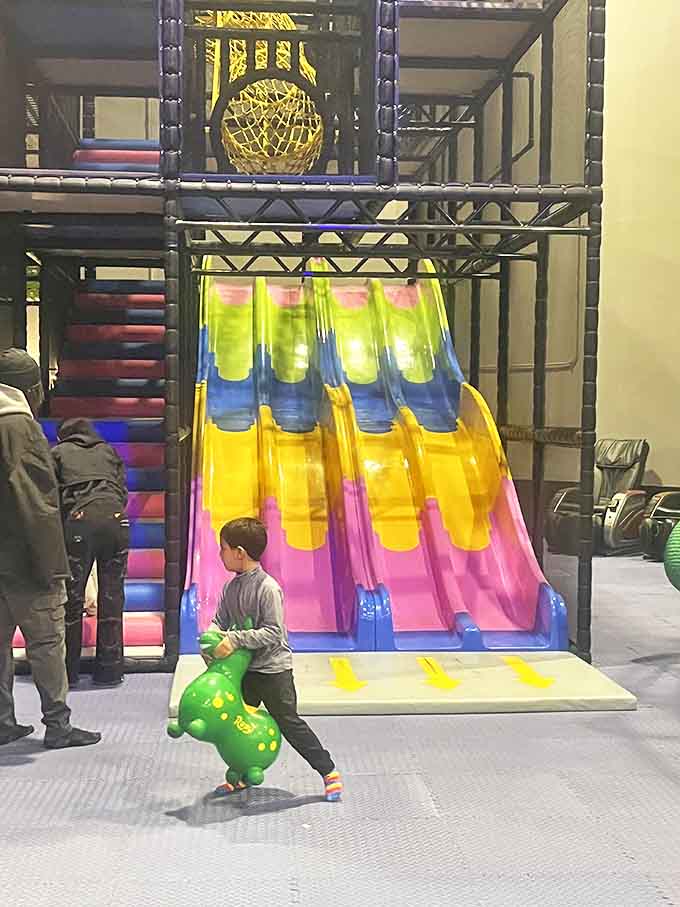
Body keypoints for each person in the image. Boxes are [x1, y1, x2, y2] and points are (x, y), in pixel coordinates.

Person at [0, 348, 100, 749]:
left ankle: (3, 721)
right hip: (26, 561)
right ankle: (58, 725)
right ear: (28, 389)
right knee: (45, 644)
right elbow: (36, 503)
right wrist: (53, 565)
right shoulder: (21, 429)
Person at [207, 517, 343, 801]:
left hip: (273, 671)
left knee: (289, 723)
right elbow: (219, 622)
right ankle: (242, 773)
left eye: (223, 548)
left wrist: (234, 640)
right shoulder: (230, 588)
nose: (220, 554)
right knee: (238, 722)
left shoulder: (267, 588)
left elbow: (273, 632)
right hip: (246, 671)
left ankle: (328, 771)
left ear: (239, 553)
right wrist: (210, 639)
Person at [51, 418, 129, 688]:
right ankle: (110, 671)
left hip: (80, 521)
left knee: (72, 601)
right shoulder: (108, 451)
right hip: (116, 520)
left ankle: (68, 673)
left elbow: (51, 496)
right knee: (112, 597)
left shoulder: (58, 453)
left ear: (63, 436)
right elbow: (122, 491)